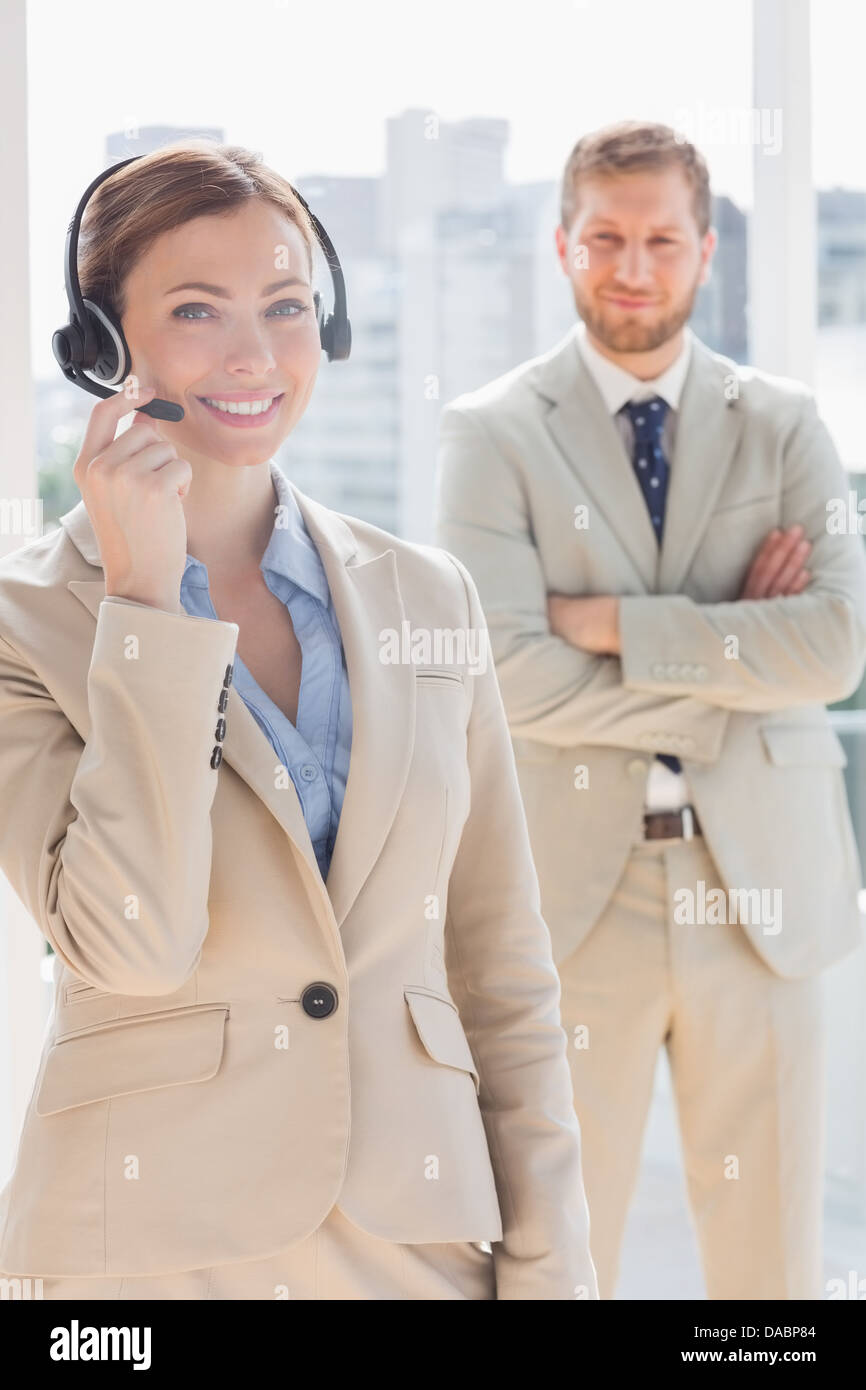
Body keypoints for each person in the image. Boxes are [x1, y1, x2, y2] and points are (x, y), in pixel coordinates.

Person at [0, 140, 597, 1301]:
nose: (255, 354)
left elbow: (503, 970)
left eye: (284, 306)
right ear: (100, 346)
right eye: (196, 310)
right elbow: (132, 944)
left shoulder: (429, 599)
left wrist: (551, 1272)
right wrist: (139, 606)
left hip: (416, 1247)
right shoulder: (28, 625)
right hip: (146, 1256)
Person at [433, 120, 866, 1300]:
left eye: (660, 239)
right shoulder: (492, 433)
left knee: (768, 1256)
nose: (633, 267)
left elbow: (832, 645)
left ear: (705, 249)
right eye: (606, 238)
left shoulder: (784, 422)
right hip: (573, 897)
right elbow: (507, 674)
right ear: (562, 244)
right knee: (562, 1242)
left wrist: (613, 623)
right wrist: (731, 661)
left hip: (758, 890)